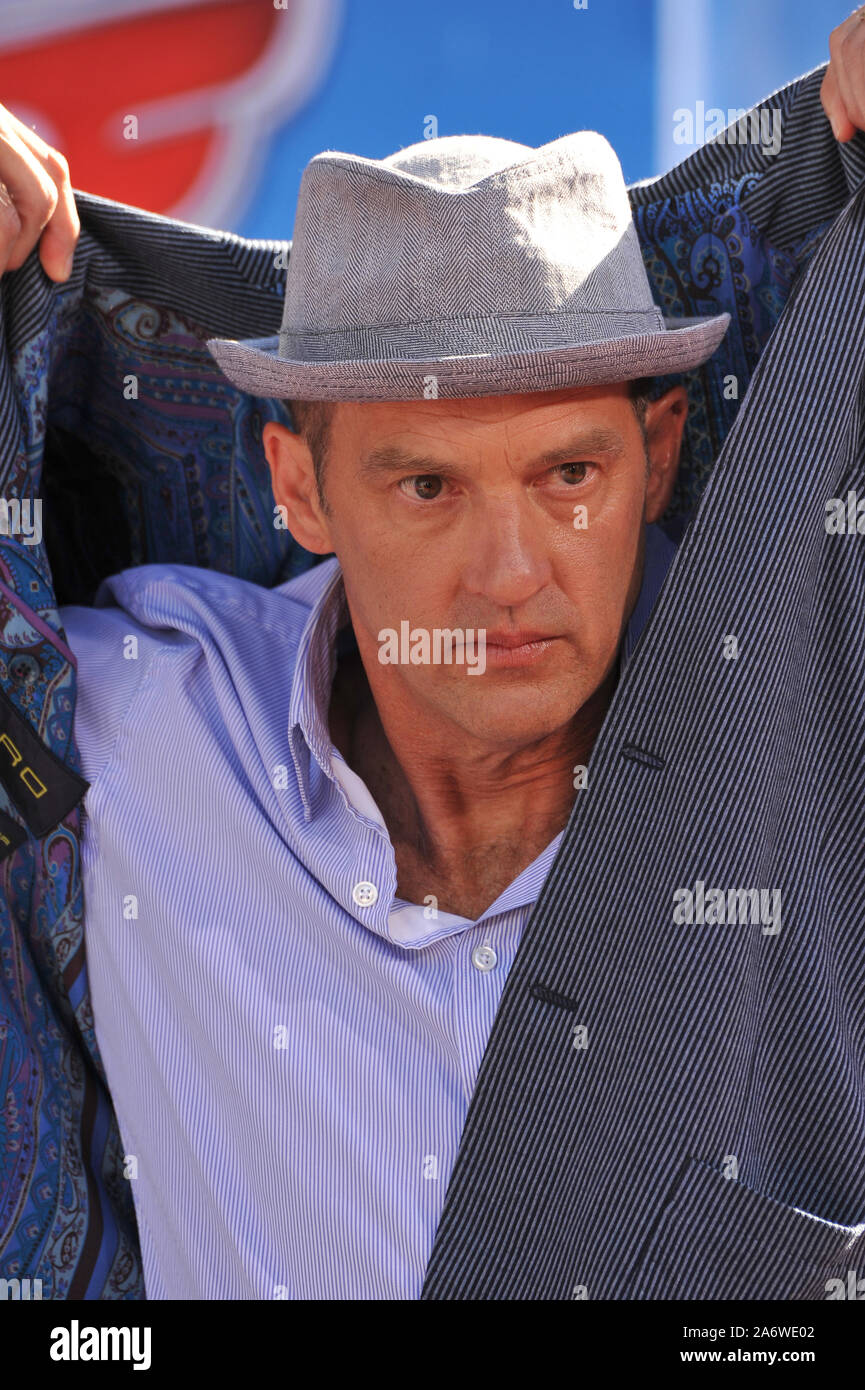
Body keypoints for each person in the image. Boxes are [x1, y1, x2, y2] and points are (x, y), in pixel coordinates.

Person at [2, 12, 865, 1300]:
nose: (512, 573)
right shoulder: (128, 720)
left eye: (570, 473)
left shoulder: (809, 747)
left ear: (664, 453)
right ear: (297, 487)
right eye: (427, 488)